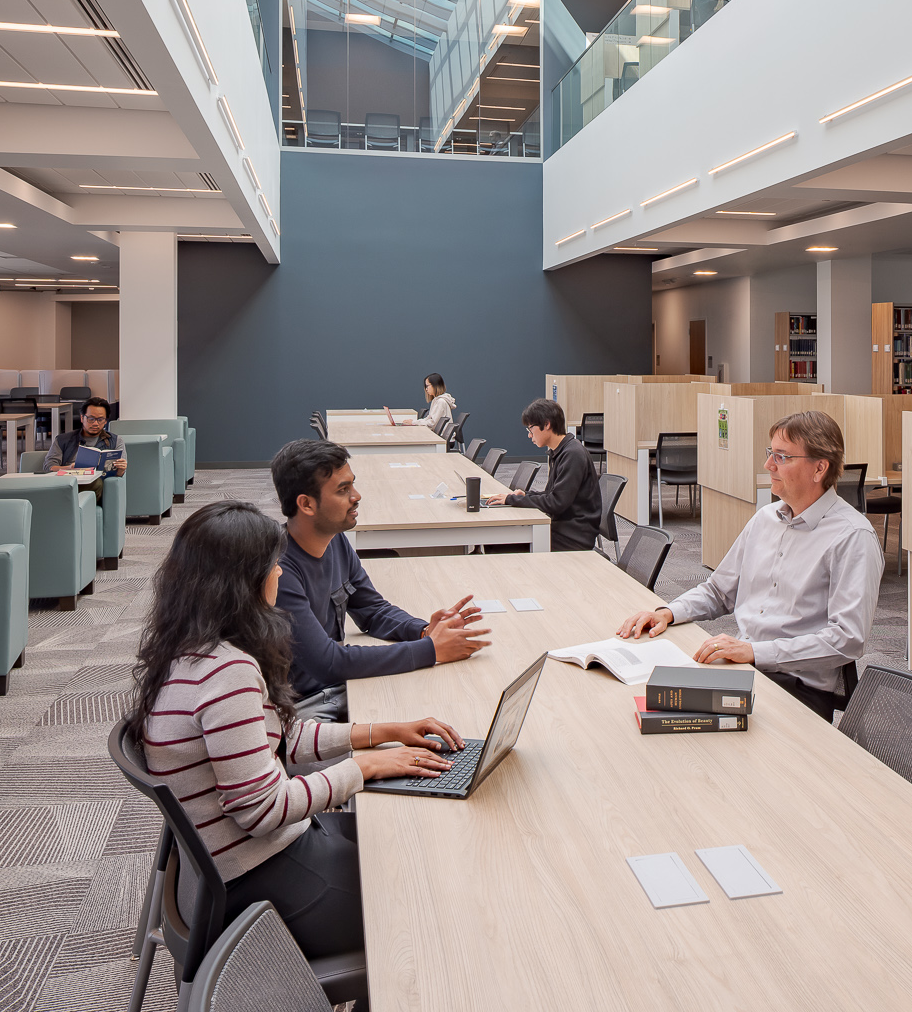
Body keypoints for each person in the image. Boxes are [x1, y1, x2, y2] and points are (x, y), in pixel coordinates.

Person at [133, 500, 463, 964]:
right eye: (272, 567)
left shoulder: (189, 650)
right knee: (431, 897)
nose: (281, 576)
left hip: (242, 865)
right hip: (260, 885)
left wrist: (381, 732)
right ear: (240, 581)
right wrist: (363, 768)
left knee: (407, 841)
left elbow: (279, 739)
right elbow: (261, 809)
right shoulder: (225, 673)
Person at [616, 410, 882, 722]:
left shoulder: (852, 536)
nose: (768, 465)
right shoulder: (765, 519)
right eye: (771, 454)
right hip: (743, 668)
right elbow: (718, 592)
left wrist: (756, 653)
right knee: (644, 699)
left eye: (782, 457)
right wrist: (667, 613)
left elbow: (848, 639)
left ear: (819, 468)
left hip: (796, 689)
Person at [271, 439, 490, 719]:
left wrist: (423, 631)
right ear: (306, 504)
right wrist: (430, 650)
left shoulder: (335, 541)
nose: (357, 496)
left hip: (340, 688)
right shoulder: (279, 571)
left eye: (352, 484)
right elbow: (328, 662)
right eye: (343, 490)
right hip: (303, 708)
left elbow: (372, 610)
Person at [482, 398, 601, 552]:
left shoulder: (573, 454)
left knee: (497, 542)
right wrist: (525, 495)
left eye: (531, 429)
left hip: (573, 536)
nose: (529, 436)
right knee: (496, 538)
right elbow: (554, 495)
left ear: (546, 424)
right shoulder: (560, 451)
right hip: (561, 527)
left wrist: (514, 499)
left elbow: (556, 503)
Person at [47, 394, 126, 477]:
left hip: (99, 481)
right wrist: (69, 468)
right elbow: (49, 467)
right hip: (70, 480)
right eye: (91, 419)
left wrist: (121, 470)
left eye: (100, 419)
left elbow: (119, 475)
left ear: (106, 421)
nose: (95, 423)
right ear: (82, 418)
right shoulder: (63, 439)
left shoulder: (115, 440)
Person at [418, 373, 456, 438]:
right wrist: (415, 422)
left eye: (427, 386)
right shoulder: (436, 400)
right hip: (440, 435)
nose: (426, 389)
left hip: (442, 438)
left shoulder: (441, 402)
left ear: (435, 385)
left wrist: (415, 423)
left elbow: (432, 423)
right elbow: (429, 419)